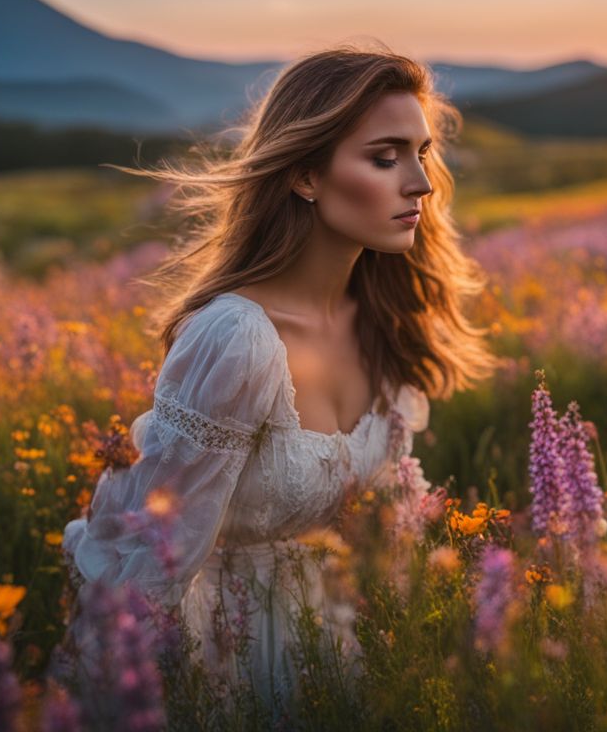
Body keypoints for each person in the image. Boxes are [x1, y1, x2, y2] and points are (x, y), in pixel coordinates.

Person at [59, 43, 498, 722]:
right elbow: (148, 560)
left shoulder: (386, 320)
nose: (420, 182)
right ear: (305, 176)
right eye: (384, 158)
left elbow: (381, 529)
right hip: (224, 660)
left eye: (422, 153)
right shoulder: (236, 338)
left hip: (340, 644)